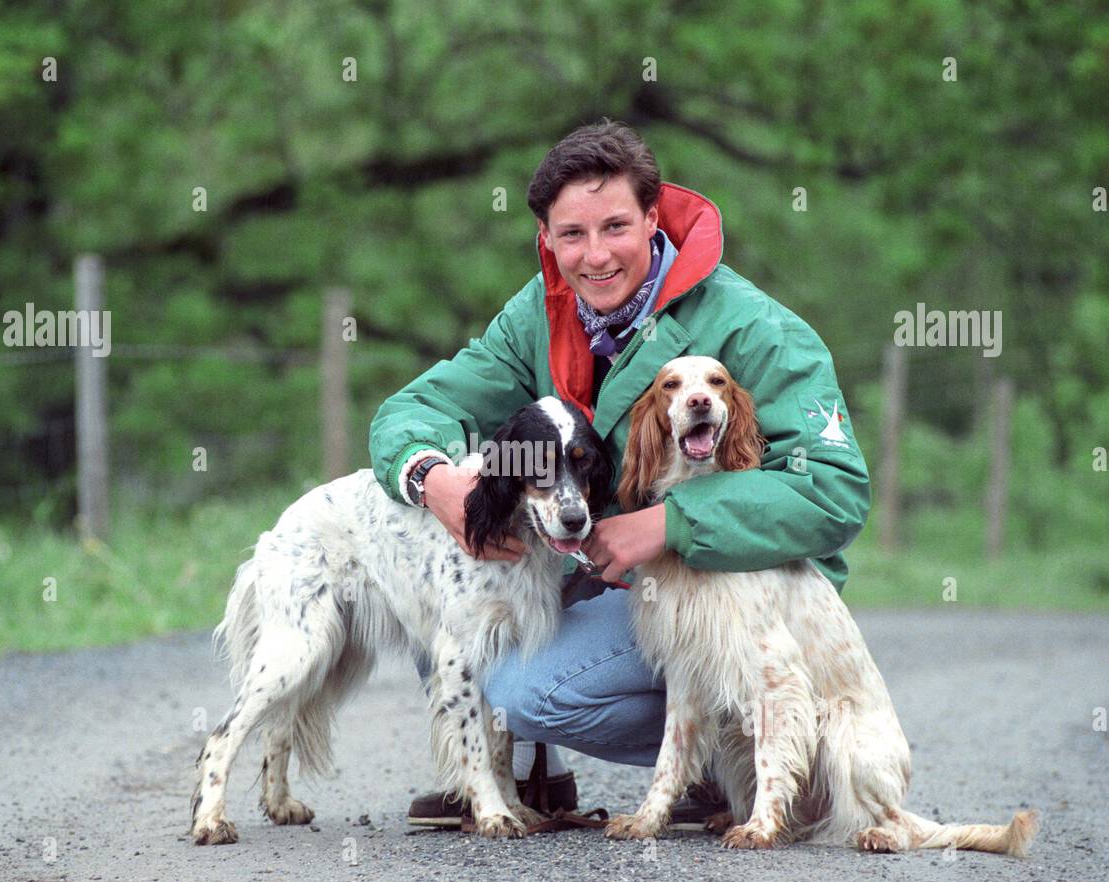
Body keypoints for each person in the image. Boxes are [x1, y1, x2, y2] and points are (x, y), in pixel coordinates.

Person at [368, 119, 871, 827]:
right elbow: (413, 410)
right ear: (546, 236)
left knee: (531, 691)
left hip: (728, 591)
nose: (595, 255)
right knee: (440, 552)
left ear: (653, 217)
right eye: (572, 234)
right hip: (596, 567)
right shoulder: (538, 314)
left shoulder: (756, 327)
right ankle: (523, 777)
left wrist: (670, 522)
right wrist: (432, 480)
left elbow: (834, 489)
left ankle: (727, 761)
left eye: (615, 227)